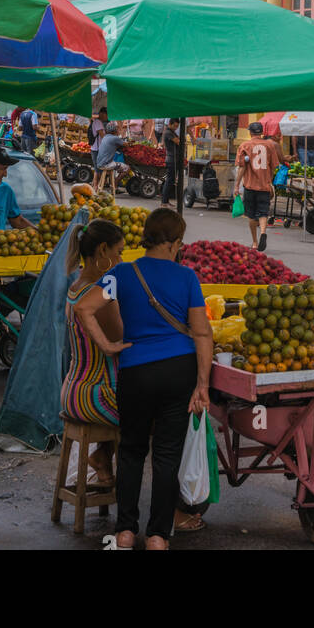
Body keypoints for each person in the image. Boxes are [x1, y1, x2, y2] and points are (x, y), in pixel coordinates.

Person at [105, 208, 213, 551]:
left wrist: (106, 344)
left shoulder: (121, 272)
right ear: (175, 243)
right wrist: (203, 384)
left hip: (135, 370)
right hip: (178, 370)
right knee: (167, 455)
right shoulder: (186, 278)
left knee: (132, 450)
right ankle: (157, 536)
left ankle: (124, 531)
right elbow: (202, 333)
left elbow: (81, 306)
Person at [62, 218, 131, 488]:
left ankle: (103, 456)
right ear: (103, 251)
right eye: (119, 252)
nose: (121, 259)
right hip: (96, 395)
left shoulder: (77, 286)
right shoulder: (100, 292)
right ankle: (105, 459)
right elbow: (120, 338)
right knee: (153, 413)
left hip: (73, 389)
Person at [234, 121, 283, 252]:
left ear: (250, 132)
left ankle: (255, 242)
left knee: (251, 215)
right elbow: (274, 166)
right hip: (264, 186)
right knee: (263, 212)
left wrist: (236, 186)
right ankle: (263, 232)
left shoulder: (245, 145)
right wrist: (269, 181)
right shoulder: (270, 145)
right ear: (262, 132)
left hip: (250, 185)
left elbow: (241, 167)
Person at [0, 145, 35, 232]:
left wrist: (39, 232)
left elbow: (17, 221)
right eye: (3, 169)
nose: (5, 174)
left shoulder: (6, 191)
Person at [93, 122, 130, 195]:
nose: (118, 131)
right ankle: (115, 183)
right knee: (127, 168)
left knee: (117, 164)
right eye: (117, 129)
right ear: (114, 131)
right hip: (106, 164)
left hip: (99, 163)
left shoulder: (105, 137)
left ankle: (113, 183)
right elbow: (126, 145)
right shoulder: (115, 138)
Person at [160, 118, 181, 207]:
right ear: (170, 124)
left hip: (174, 159)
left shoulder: (172, 132)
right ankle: (164, 202)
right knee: (169, 181)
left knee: (171, 181)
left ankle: (166, 201)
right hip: (171, 159)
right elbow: (178, 141)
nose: (176, 128)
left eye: (177, 126)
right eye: (175, 126)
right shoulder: (168, 132)